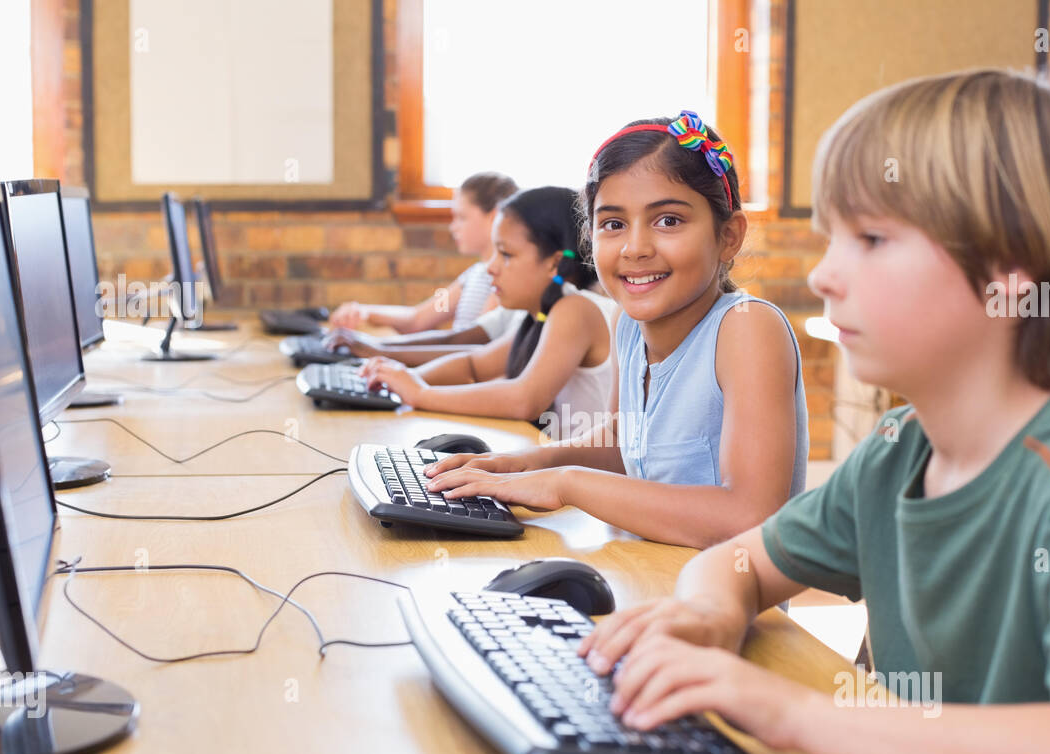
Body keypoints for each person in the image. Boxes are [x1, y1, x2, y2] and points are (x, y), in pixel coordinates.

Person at [577, 70, 1050, 754]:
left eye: (872, 240)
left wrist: (788, 713)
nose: (824, 275)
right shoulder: (898, 453)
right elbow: (737, 561)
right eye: (833, 238)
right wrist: (709, 615)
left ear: (1009, 276)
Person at [422, 111, 809, 549]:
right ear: (590, 238)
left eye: (668, 221)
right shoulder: (628, 323)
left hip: (718, 609)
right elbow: (621, 445)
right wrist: (524, 463)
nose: (636, 248)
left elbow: (747, 516)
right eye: (613, 224)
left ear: (729, 235)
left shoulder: (746, 328)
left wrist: (567, 484)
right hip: (640, 579)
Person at [358, 186, 616, 435]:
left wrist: (420, 392)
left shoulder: (576, 309)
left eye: (505, 254)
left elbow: (525, 399)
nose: (491, 267)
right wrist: (405, 379)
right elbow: (474, 365)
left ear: (555, 263)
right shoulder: (538, 313)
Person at [328, 171, 517, 337]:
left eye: (461, 217)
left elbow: (474, 342)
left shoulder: (501, 280)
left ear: (494, 216)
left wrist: (386, 350)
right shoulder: (473, 276)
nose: (453, 227)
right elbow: (417, 318)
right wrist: (364, 311)